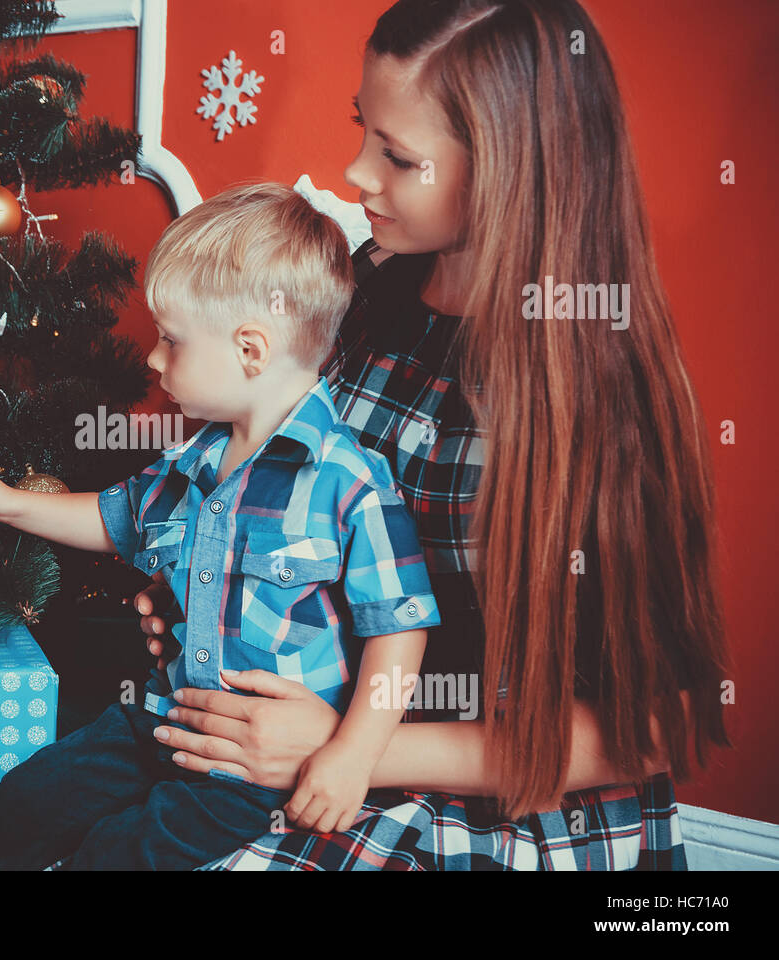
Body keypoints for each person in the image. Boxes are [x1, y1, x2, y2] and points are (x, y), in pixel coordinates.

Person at [134, 0, 732, 871]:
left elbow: (655, 725)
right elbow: (274, 491)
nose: (355, 174)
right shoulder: (359, 291)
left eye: (398, 156)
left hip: (499, 789)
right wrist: (210, 591)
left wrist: (348, 745)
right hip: (306, 732)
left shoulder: (602, 396)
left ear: (509, 172)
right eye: (362, 129)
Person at [0, 180, 443, 869]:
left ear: (251, 351)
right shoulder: (191, 461)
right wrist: (8, 503)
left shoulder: (350, 485)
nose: (153, 358)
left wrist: (353, 755)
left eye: (171, 341)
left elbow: (399, 629)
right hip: (160, 718)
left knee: (119, 855)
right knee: (16, 813)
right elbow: (112, 518)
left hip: (250, 770)